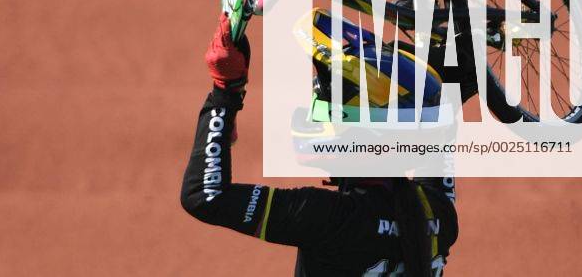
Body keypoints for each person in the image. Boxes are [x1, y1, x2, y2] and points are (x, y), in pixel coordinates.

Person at [180, 14, 458, 276]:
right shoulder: (438, 215)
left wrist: (225, 93)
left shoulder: (330, 218)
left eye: (332, 108)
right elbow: (433, 136)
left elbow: (205, 196)